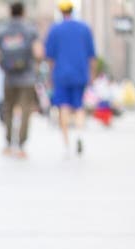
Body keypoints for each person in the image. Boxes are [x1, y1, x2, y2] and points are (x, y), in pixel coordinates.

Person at [45, 0, 96, 156]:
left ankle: (67, 144)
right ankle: (79, 135)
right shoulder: (84, 29)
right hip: (80, 73)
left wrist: (50, 77)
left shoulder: (55, 30)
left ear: (60, 12)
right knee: (79, 106)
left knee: (63, 107)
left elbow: (50, 58)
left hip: (61, 74)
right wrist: (91, 75)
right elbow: (91, 56)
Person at [0, 2, 41, 158]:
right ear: (23, 12)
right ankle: (21, 145)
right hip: (27, 77)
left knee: (8, 110)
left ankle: (8, 143)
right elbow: (38, 52)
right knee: (26, 110)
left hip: (9, 77)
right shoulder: (30, 29)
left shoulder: (1, 30)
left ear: (10, 12)